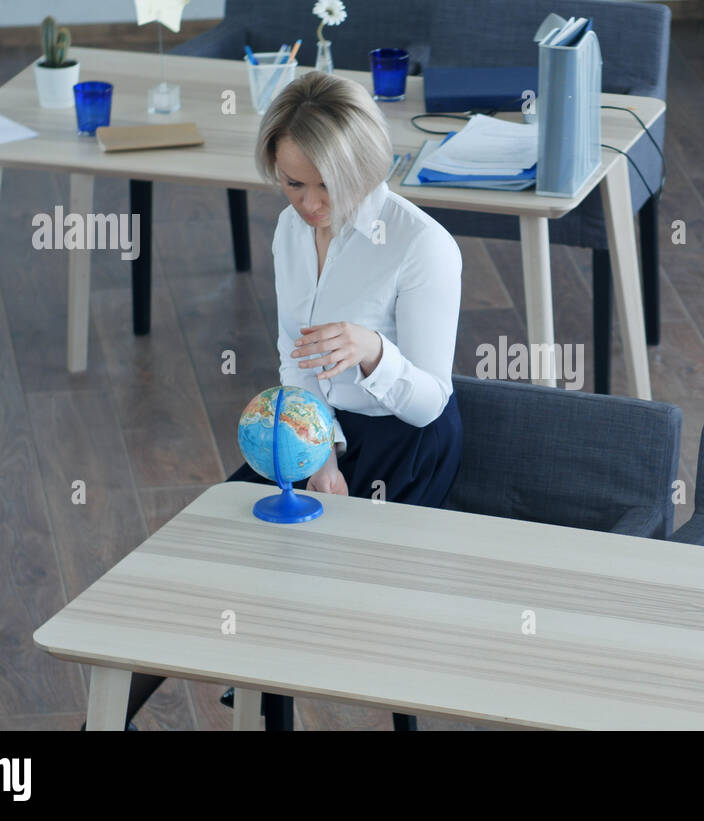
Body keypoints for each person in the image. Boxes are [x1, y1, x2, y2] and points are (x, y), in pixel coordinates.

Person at [91, 71, 464, 732]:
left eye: (329, 185)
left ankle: (266, 705)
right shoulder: (291, 234)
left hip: (405, 444)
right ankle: (102, 723)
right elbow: (294, 353)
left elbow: (430, 401)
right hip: (317, 429)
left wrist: (374, 350)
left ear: (365, 168)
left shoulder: (422, 246)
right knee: (197, 560)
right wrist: (318, 449)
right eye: (294, 183)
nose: (312, 204)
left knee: (278, 582)